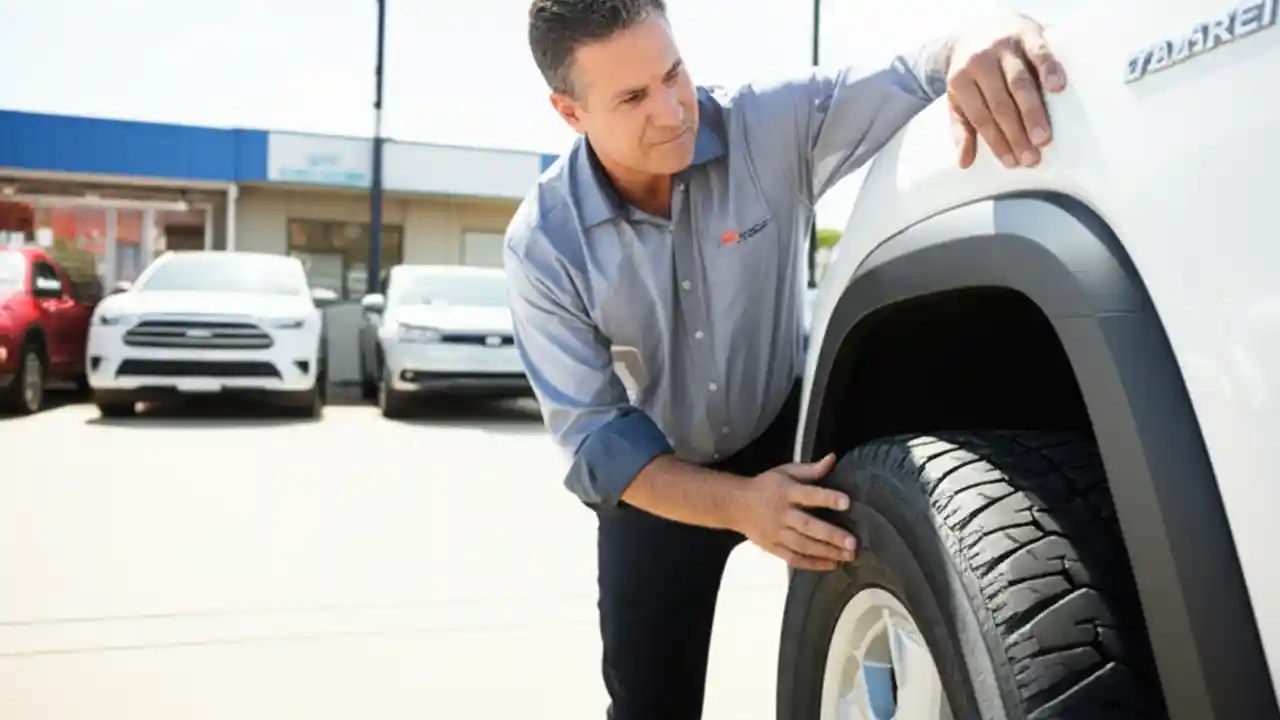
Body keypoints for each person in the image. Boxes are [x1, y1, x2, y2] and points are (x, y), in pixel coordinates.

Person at [504, 2, 1066, 717]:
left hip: (786, 420)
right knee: (649, 705)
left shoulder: (768, 125)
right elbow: (597, 441)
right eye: (633, 98)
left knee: (924, 527)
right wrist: (742, 505)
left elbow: (911, 72)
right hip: (660, 473)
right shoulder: (545, 244)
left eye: (673, 73)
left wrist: (975, 39)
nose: (675, 110)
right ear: (569, 112)